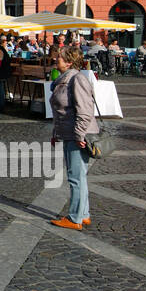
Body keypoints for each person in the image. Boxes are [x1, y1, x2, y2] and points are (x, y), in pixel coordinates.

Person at [49, 45, 98, 230]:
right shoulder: (64, 80)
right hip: (69, 133)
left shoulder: (77, 79)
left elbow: (85, 111)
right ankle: (83, 214)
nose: (56, 59)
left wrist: (79, 134)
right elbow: (60, 111)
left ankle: (75, 218)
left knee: (75, 177)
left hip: (77, 135)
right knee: (79, 176)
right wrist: (56, 133)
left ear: (69, 62)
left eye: (59, 58)